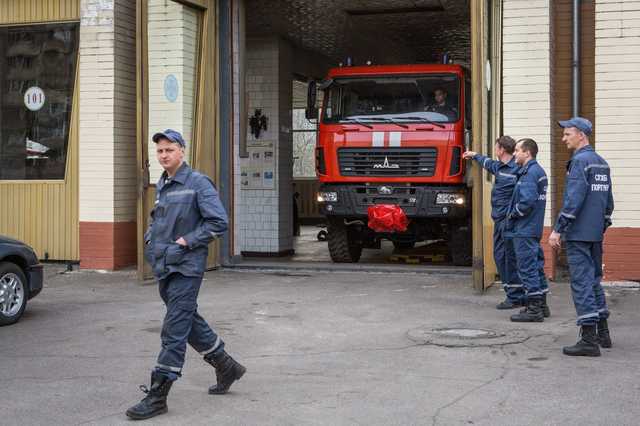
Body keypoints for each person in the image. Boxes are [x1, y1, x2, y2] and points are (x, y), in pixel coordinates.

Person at [126, 129, 246, 420]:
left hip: (186, 267)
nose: (164, 155)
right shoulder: (164, 184)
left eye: (169, 149)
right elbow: (159, 220)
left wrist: (186, 242)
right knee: (187, 320)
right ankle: (226, 365)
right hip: (165, 266)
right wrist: (150, 240)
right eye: (160, 151)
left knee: (173, 329)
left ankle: (158, 395)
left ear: (182, 151)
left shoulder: (197, 182)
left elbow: (218, 222)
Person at [549, 117, 614, 357]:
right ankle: (602, 333)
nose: (564, 138)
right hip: (595, 233)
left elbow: (572, 200)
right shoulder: (601, 164)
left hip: (578, 234)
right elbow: (609, 203)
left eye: (568, 134)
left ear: (581, 135)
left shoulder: (579, 162)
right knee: (594, 280)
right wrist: (600, 225)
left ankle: (588, 339)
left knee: (581, 283)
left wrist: (558, 229)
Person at [463, 136, 524, 309]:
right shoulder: (500, 167)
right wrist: (474, 155)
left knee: (507, 258)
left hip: (508, 221)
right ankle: (514, 293)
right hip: (499, 220)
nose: (495, 150)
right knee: (501, 257)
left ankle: (515, 297)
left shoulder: (517, 169)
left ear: (501, 149)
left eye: (496, 147)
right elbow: (487, 162)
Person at [505, 138, 551, 322]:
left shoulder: (530, 173)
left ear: (527, 152)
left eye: (517, 150)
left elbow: (527, 202)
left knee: (527, 269)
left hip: (524, 229)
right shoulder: (535, 171)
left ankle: (534, 310)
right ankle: (542, 305)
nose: (514, 153)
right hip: (532, 228)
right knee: (536, 267)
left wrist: (512, 214)